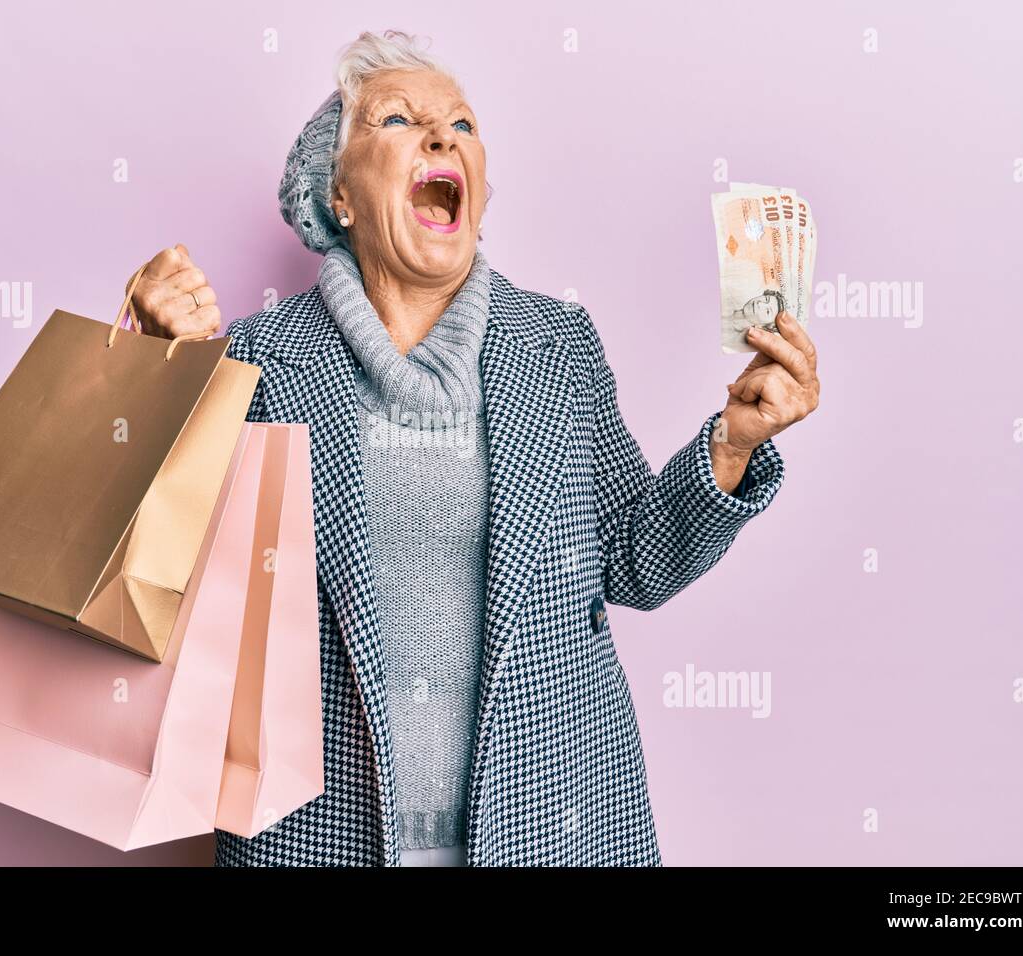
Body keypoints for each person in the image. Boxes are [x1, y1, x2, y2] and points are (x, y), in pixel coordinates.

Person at [126, 30, 819, 867]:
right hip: (317, 839)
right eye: (397, 119)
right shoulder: (259, 361)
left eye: (460, 122)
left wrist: (733, 444)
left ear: (479, 196)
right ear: (337, 194)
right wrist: (152, 365)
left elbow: (634, 560)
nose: (441, 134)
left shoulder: (557, 346)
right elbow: (155, 579)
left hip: (557, 830)